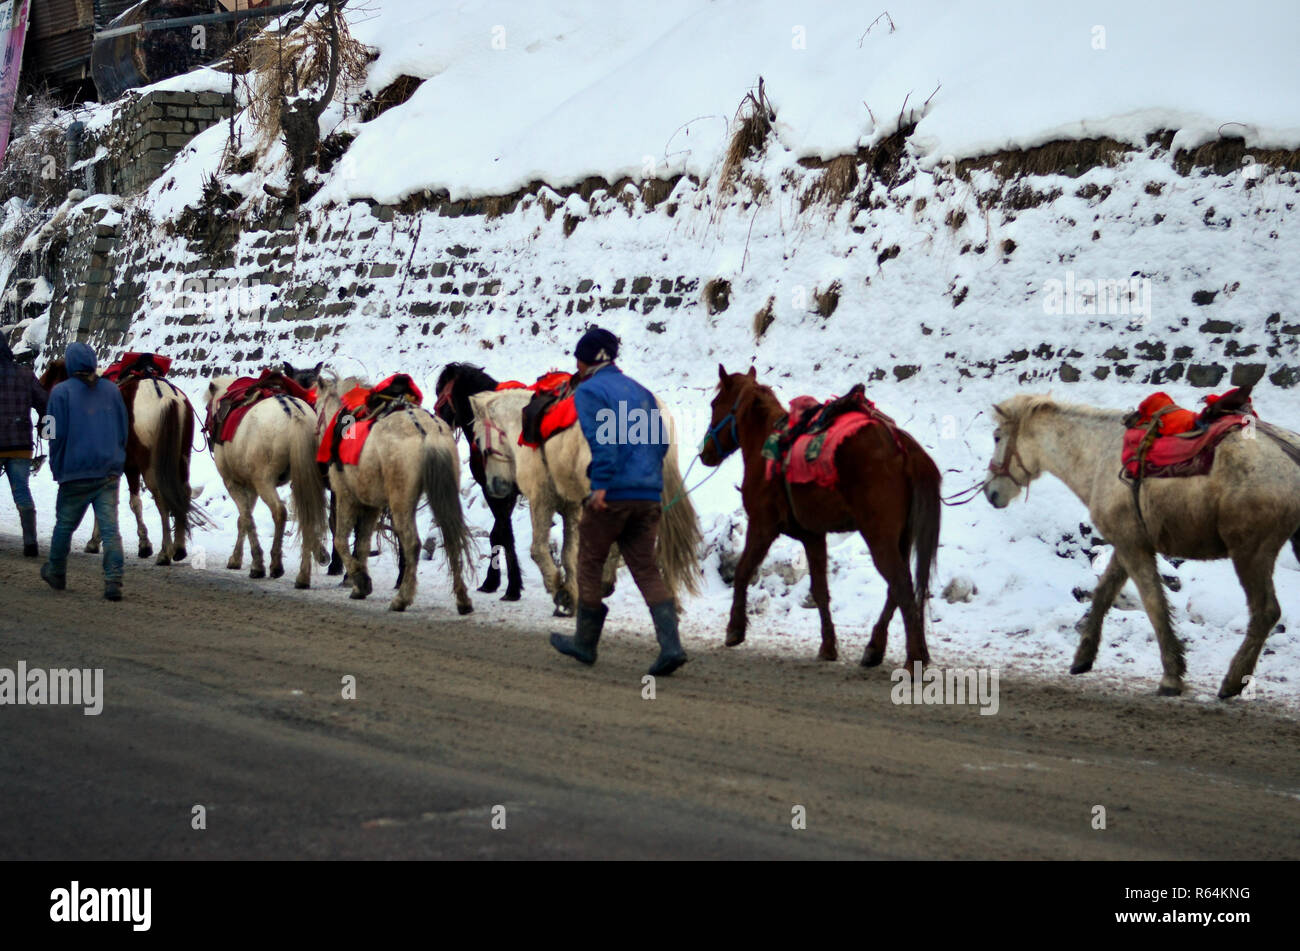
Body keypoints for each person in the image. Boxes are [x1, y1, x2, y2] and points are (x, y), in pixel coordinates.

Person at [550, 327, 687, 676]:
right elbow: (659, 444)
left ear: (585, 360)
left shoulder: (591, 391)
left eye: (577, 358)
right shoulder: (641, 391)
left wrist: (601, 484)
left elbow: (603, 440)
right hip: (648, 496)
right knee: (644, 567)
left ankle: (585, 643)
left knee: (590, 562)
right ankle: (671, 646)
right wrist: (649, 482)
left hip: (614, 496)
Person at [41, 342, 129, 601]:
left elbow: (51, 433)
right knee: (111, 529)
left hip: (74, 473)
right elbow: (123, 429)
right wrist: (118, 460)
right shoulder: (112, 391)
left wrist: (56, 465)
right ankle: (113, 579)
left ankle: (56, 571)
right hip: (108, 472)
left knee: (64, 525)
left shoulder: (59, 393)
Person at [0, 336, 48, 556]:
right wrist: (47, 431)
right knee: (22, 490)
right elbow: (46, 404)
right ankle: (30, 542)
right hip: (21, 444)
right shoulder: (26, 375)